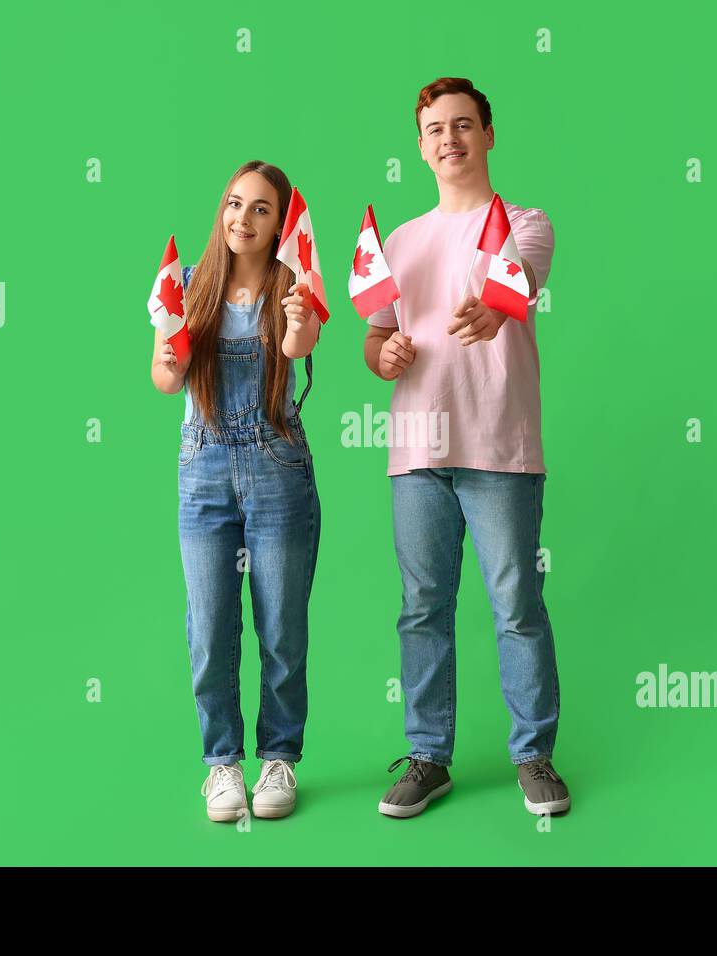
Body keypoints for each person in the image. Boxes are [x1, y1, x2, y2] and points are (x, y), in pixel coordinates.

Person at [363, 78, 567, 818]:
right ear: (420, 146)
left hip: (499, 447)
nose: (448, 139)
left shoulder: (524, 221)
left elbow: (517, 286)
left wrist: (492, 311)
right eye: (434, 129)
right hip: (417, 449)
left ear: (486, 134)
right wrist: (382, 355)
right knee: (422, 606)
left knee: (515, 603)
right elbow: (376, 334)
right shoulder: (400, 241)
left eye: (462, 125)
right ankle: (428, 757)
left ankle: (534, 756)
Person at [151, 160, 322, 822]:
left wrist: (300, 319)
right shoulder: (186, 288)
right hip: (204, 473)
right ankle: (222, 765)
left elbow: (302, 342)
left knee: (281, 623)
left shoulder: (292, 289)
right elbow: (164, 382)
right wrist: (171, 360)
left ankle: (279, 757)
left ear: (281, 223)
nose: (242, 219)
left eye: (260, 209)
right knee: (210, 627)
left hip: (277, 469)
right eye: (233, 203)